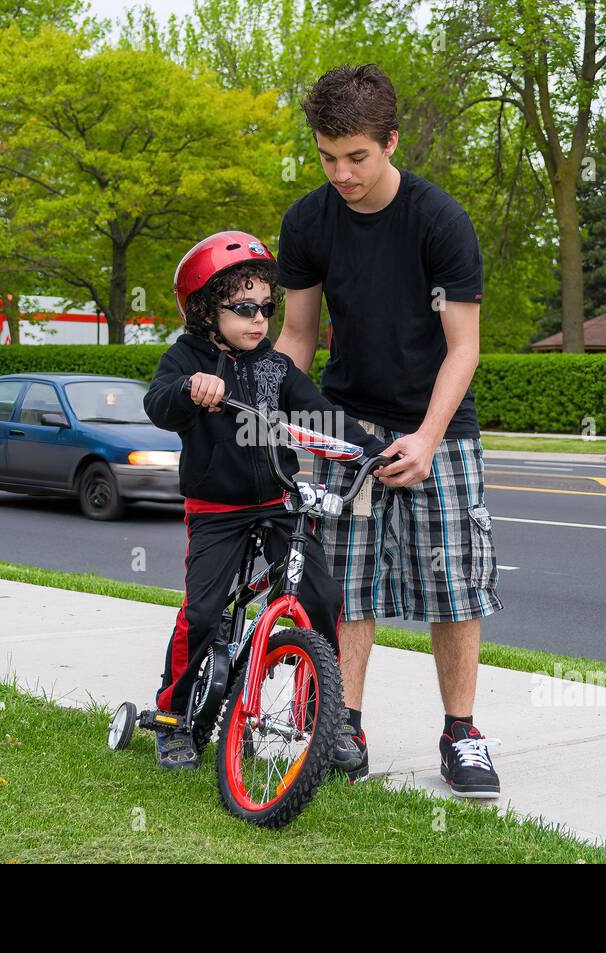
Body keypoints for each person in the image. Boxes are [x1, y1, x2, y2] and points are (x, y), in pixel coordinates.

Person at [274, 64, 504, 798]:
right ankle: (343, 726)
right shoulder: (308, 222)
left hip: (441, 428)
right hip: (347, 424)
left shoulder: (440, 221)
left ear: (391, 141)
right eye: (326, 156)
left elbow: (464, 346)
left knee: (454, 587)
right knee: (348, 587)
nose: (341, 173)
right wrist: (277, 416)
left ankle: (461, 734)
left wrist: (430, 438)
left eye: (357, 157)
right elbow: (299, 335)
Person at [143, 230, 387, 772]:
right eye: (244, 307)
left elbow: (319, 412)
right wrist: (189, 390)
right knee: (204, 613)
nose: (260, 319)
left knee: (322, 596)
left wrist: (373, 449)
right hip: (217, 510)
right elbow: (157, 404)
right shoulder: (185, 359)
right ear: (206, 310)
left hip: (280, 502)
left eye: (267, 308)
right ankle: (174, 716)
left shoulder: (275, 367)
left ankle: (321, 713)